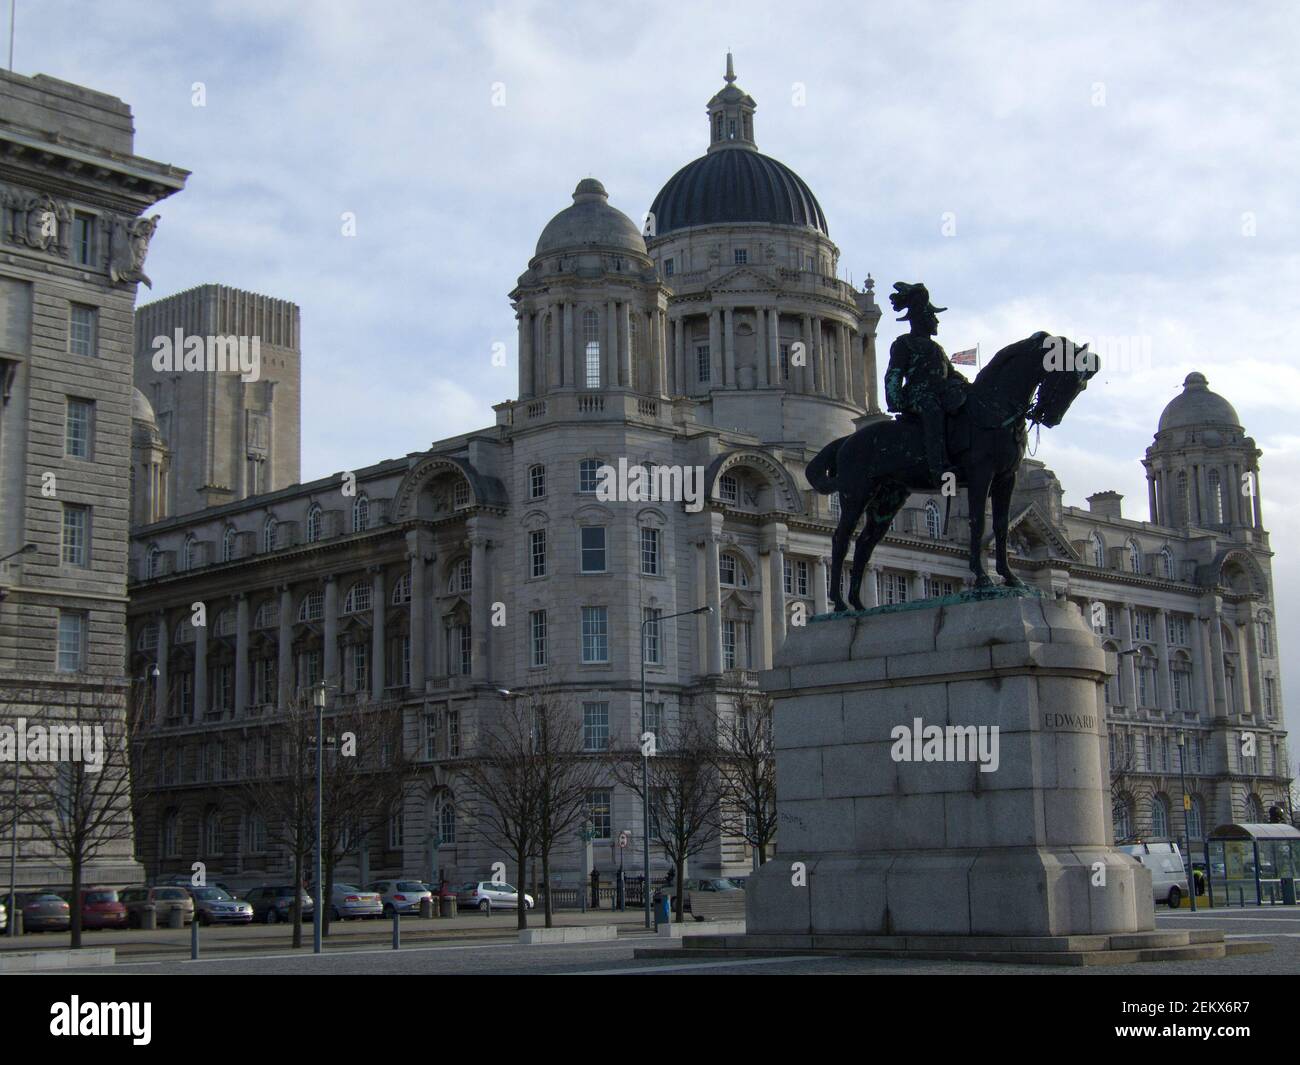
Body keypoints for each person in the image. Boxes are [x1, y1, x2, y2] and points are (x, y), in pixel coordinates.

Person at [884, 282, 967, 484]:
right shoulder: (904, 343)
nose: (936, 320)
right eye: (932, 316)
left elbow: (951, 373)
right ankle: (938, 467)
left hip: (941, 393)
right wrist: (896, 400)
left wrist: (968, 386)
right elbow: (893, 374)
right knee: (933, 411)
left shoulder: (936, 348)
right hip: (918, 396)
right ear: (921, 319)